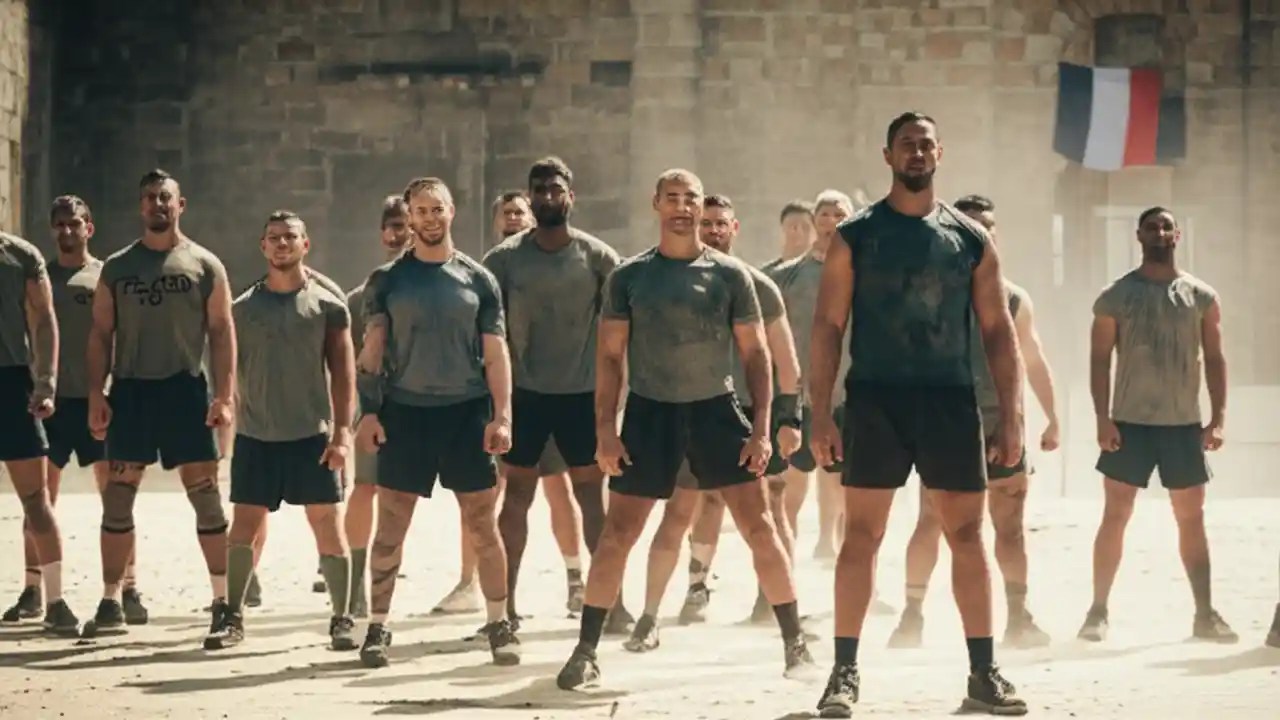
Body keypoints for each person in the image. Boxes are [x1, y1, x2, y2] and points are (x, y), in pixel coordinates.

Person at [555, 169, 815, 691]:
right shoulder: (629, 277)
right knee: (618, 534)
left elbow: (757, 356)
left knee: (759, 527)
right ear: (655, 204)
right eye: (671, 198)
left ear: (700, 207)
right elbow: (610, 358)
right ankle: (585, 651)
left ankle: (795, 644)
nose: (681, 207)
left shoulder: (730, 276)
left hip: (716, 411)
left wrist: (762, 429)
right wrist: (606, 429)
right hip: (650, 414)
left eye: (689, 198)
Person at [809, 112, 1027, 716]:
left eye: (926, 144)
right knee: (861, 536)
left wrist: (1012, 416)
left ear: (939, 154)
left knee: (967, 535)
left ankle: (983, 674)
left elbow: (999, 331)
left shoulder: (969, 238)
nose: (917, 152)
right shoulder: (855, 235)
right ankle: (843, 674)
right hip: (875, 399)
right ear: (888, 155)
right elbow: (827, 326)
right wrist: (819, 413)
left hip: (949, 400)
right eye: (906, 144)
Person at [354, 176, 520, 668]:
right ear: (409, 216)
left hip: (465, 412)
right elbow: (372, 350)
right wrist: (368, 412)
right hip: (405, 412)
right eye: (420, 210)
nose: (429, 218)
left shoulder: (478, 280)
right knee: (391, 527)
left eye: (437, 209)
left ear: (452, 212)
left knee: (482, 524)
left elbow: (496, 354)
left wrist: (502, 416)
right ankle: (377, 627)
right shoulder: (386, 281)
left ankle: (499, 624)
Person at [625, 192, 803, 651]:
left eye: (722, 224)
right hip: (695, 412)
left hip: (751, 418)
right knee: (680, 512)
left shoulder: (757, 285)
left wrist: (786, 419)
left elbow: (785, 361)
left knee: (766, 516)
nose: (714, 231)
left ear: (734, 228)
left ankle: (782, 615)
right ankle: (653, 614)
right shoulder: (668, 281)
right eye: (707, 223)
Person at [889, 194, 1059, 649]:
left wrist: (1052, 417)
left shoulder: (1013, 298)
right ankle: (911, 616)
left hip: (1000, 423)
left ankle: (1018, 616)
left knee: (1010, 526)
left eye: (987, 226)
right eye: (968, 226)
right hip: (943, 422)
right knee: (931, 519)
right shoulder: (926, 293)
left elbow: (1032, 359)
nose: (979, 234)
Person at [1077, 206, 1237, 644]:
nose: (1160, 233)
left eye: (1167, 227)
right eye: (1152, 227)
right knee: (1115, 515)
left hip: (1183, 424)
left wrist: (1218, 419)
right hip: (1130, 424)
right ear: (1139, 235)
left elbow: (1215, 359)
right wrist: (1102, 418)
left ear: (1177, 235)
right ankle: (1097, 611)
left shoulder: (1201, 296)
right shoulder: (1116, 296)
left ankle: (1204, 613)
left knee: (1191, 518)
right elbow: (1099, 360)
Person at [86, 169, 234, 638]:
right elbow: (100, 333)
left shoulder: (204, 264)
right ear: (141, 206)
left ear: (180, 204)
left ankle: (224, 602)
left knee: (206, 498)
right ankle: (111, 599)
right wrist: (96, 392)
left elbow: (222, 332)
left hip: (185, 390)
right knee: (118, 498)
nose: (157, 204)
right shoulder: (118, 266)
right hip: (131, 391)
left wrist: (225, 396)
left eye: (165, 197)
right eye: (150, 197)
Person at [482, 161, 628, 630]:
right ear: (530, 196)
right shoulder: (503, 260)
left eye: (556, 189)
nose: (548, 196)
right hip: (524, 395)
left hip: (581, 396)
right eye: (540, 190)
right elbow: (486, 333)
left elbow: (621, 332)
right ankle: (504, 608)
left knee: (592, 501)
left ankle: (611, 605)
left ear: (571, 196)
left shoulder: (598, 257)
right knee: (516, 498)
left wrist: (614, 402)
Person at [203, 211, 357, 650]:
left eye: (291, 237)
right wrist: (224, 404)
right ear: (263, 246)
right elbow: (223, 365)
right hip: (257, 436)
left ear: (306, 244)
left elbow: (343, 374)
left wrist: (342, 434)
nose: (282, 243)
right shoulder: (242, 308)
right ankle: (231, 617)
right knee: (244, 526)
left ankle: (343, 618)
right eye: (274, 238)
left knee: (327, 524)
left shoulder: (328, 307)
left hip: (311, 436)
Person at [438, 188, 589, 621]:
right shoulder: (488, 271)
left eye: (520, 212)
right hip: (499, 399)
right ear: (495, 222)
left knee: (559, 489)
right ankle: (474, 584)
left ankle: (575, 579)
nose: (514, 219)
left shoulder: (557, 265)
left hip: (550, 392)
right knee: (486, 495)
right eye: (506, 213)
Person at [4, 197, 147, 626]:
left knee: (115, 498)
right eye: (60, 225)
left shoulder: (105, 276)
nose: (67, 231)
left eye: (75, 224)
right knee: (40, 498)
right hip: (50, 403)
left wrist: (112, 389)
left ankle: (127, 588)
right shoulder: (38, 273)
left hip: (98, 399)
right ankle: (33, 588)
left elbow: (122, 335)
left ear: (90, 227)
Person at [312, 195, 413, 616]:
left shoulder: (444, 285)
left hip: (431, 406)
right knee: (367, 488)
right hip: (378, 408)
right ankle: (355, 587)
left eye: (403, 225)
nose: (396, 234)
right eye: (391, 226)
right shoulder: (362, 297)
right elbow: (347, 362)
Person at [0, 223, 79, 635]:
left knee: (36, 499)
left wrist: (46, 383)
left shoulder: (21, 256)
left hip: (11, 381)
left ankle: (55, 600)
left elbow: (44, 319)